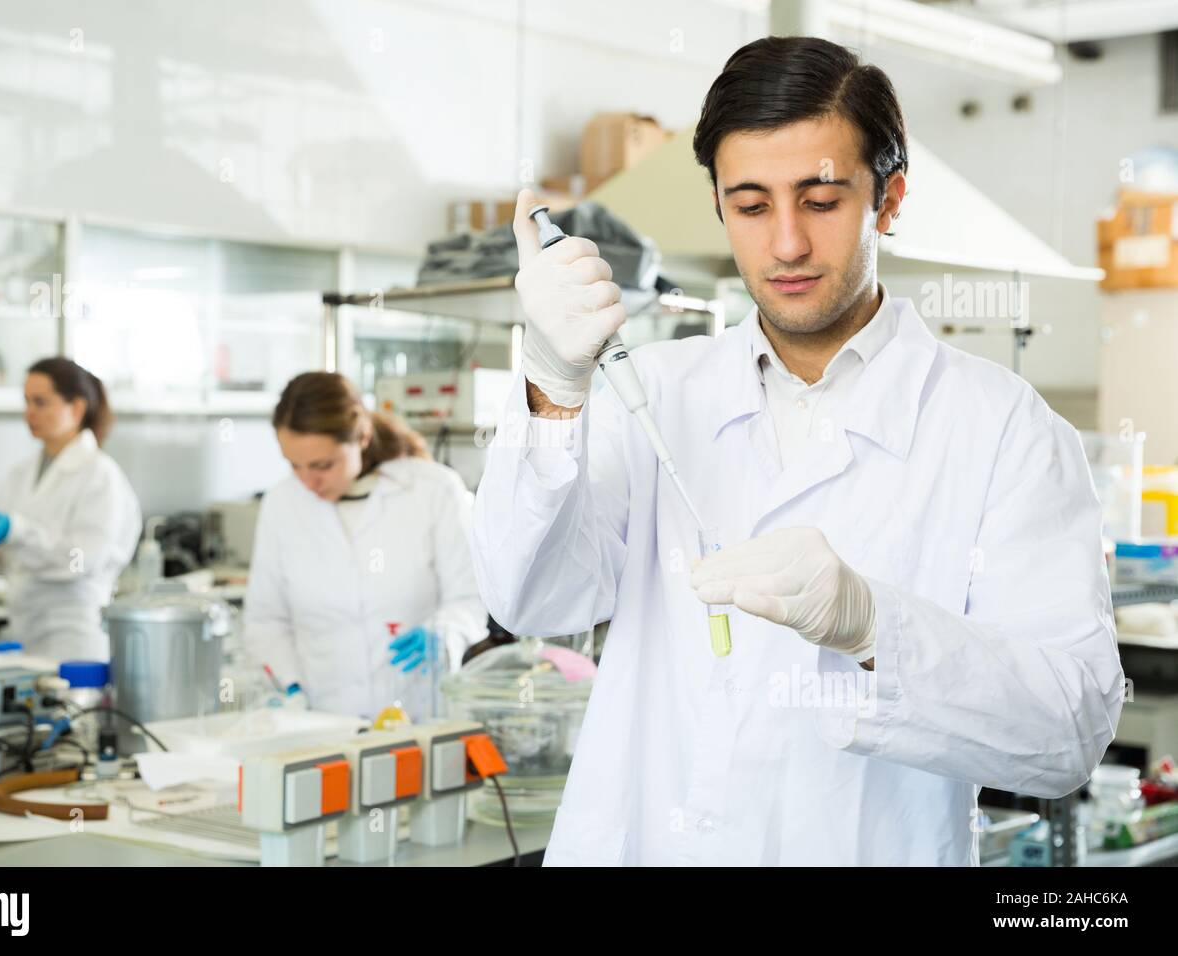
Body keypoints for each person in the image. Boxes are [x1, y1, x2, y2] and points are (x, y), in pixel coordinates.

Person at [471, 36, 1123, 865]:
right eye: (750, 206)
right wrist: (554, 386)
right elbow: (529, 600)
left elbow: (1068, 732)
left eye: (820, 201)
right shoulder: (653, 396)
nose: (784, 245)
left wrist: (873, 625)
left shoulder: (1004, 431)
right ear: (719, 206)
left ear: (888, 200)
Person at [243, 371, 487, 720]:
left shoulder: (434, 490)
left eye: (322, 465)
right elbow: (266, 619)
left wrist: (443, 634)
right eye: (294, 465)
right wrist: (290, 681)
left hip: (420, 717)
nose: (307, 481)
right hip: (323, 721)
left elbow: (469, 599)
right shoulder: (282, 504)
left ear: (361, 437)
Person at [0, 357, 141, 661]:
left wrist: (17, 531)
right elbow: (8, 560)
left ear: (76, 408)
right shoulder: (19, 474)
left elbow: (82, 559)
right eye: (26, 402)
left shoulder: (100, 475)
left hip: (74, 637)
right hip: (23, 629)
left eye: (40, 402)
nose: (29, 413)